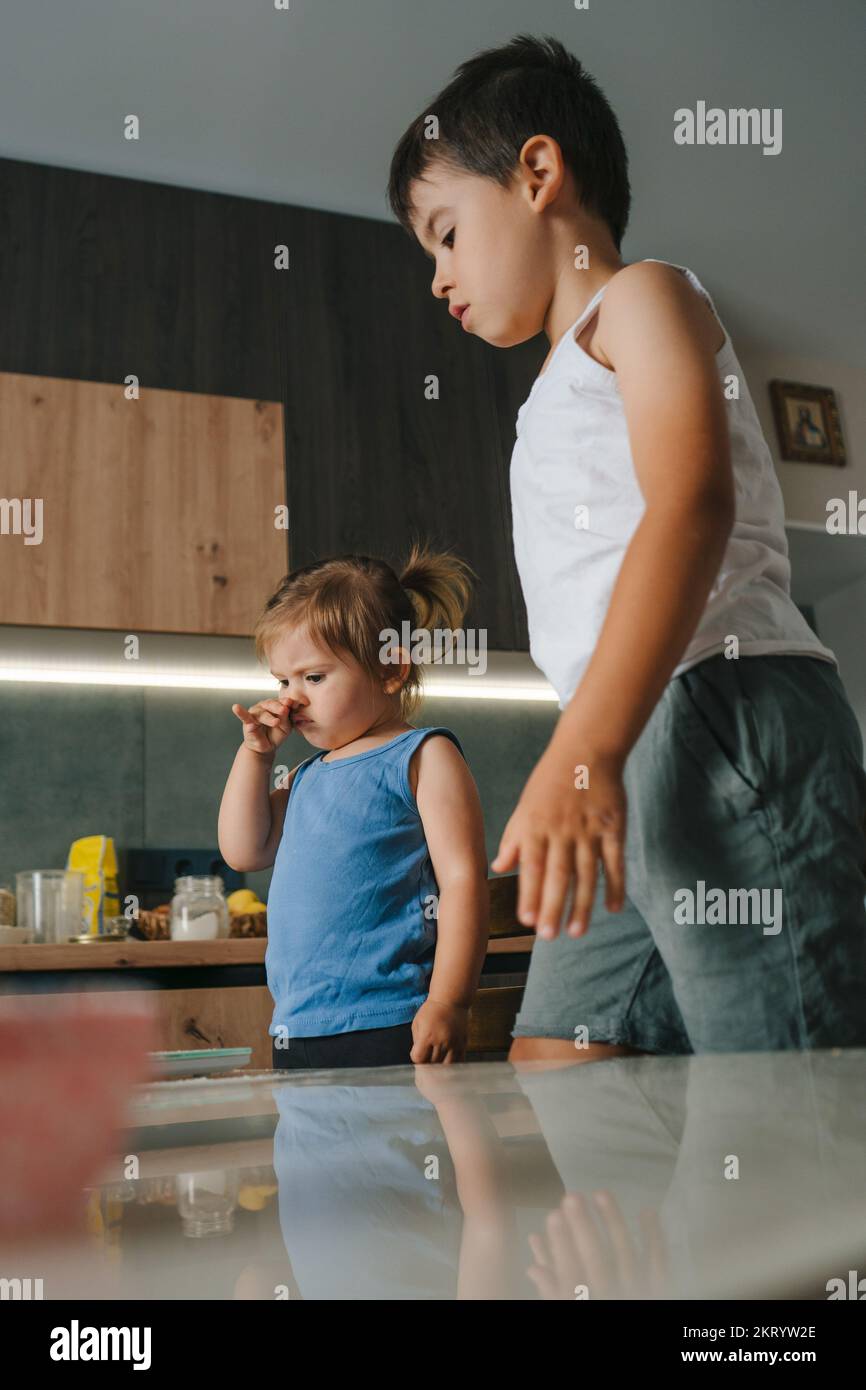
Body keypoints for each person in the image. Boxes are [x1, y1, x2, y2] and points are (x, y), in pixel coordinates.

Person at [386, 33, 866, 1058]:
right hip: (621, 741)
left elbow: (690, 505)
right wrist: (593, 746)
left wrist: (580, 748)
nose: (436, 278)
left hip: (719, 709)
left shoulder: (645, 295)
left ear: (537, 173)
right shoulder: (547, 394)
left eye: (444, 233)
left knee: (786, 1097)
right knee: (558, 1065)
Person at [218, 544, 489, 1068]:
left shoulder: (422, 756)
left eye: (313, 678)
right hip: (296, 1024)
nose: (292, 699)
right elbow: (242, 851)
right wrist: (255, 756)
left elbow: (463, 882)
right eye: (282, 681)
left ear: (391, 671)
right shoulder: (304, 776)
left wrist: (449, 1002)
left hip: (390, 1020)